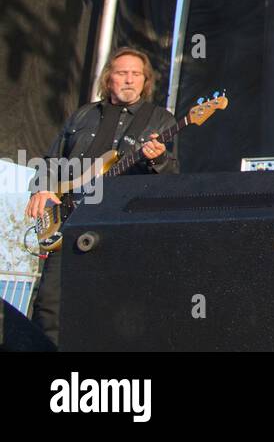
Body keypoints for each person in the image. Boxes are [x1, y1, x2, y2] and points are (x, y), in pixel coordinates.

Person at [24, 46, 178, 346]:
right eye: (122, 73)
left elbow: (173, 180)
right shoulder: (84, 114)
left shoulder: (160, 119)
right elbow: (53, 159)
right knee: (50, 305)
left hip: (122, 226)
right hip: (71, 221)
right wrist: (42, 188)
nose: (129, 80)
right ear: (109, 78)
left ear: (145, 80)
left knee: (112, 308)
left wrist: (159, 158)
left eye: (136, 74)